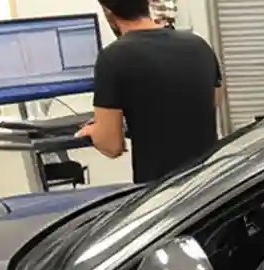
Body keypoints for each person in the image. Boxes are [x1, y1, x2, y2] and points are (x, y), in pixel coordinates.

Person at [76, 0, 223, 183]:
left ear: (108, 12)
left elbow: (112, 146)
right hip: (212, 186)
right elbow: (213, 101)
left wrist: (95, 131)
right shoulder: (199, 44)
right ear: (147, 5)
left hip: (160, 192)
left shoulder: (113, 57)